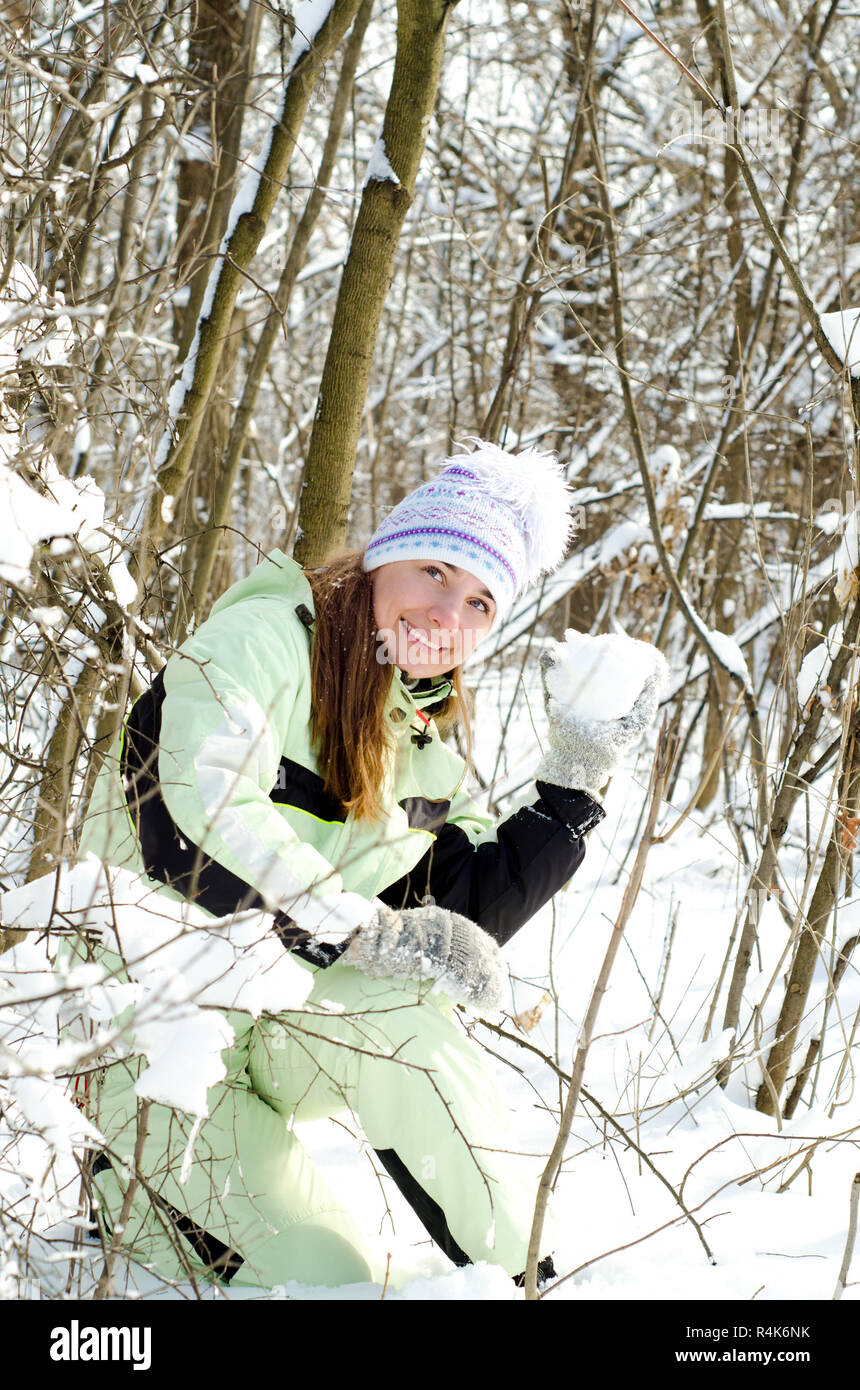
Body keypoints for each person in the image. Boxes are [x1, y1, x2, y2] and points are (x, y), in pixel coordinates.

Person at [78, 439, 663, 1291]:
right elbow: (193, 822)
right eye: (434, 572)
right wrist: (358, 927)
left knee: (412, 1017)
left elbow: (456, 910)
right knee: (331, 1278)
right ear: (386, 555)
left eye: (479, 603)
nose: (446, 616)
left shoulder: (413, 744)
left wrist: (572, 790)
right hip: (145, 1046)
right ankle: (126, 1194)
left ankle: (530, 1280)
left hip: (264, 1018)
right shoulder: (260, 644)